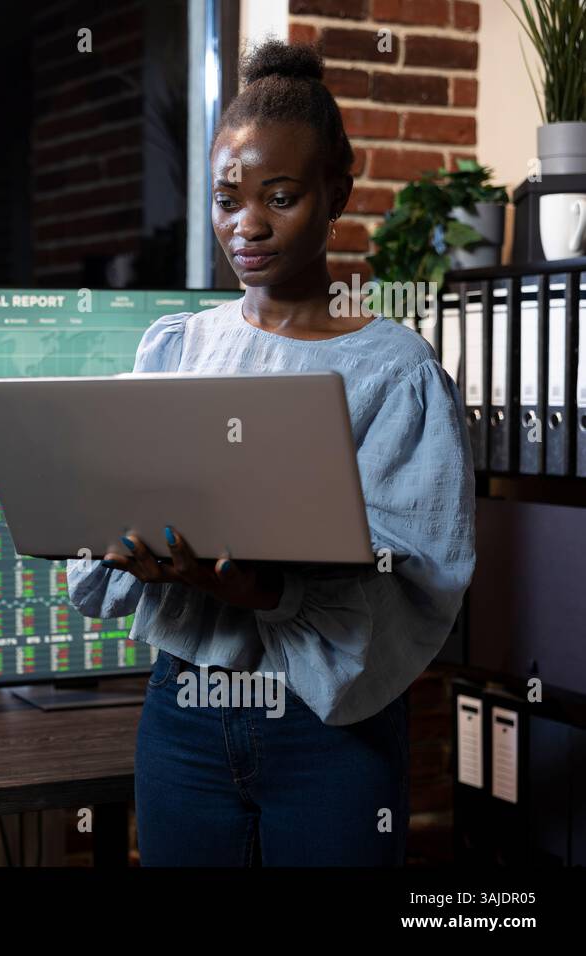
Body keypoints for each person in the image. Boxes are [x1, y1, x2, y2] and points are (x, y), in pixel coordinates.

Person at [67, 39, 476, 866]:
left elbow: (416, 576)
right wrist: (123, 543)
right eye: (226, 200)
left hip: (326, 731)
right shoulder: (177, 348)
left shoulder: (395, 372)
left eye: (279, 197)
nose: (245, 226)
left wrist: (265, 590)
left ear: (337, 194)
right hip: (181, 715)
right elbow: (114, 511)